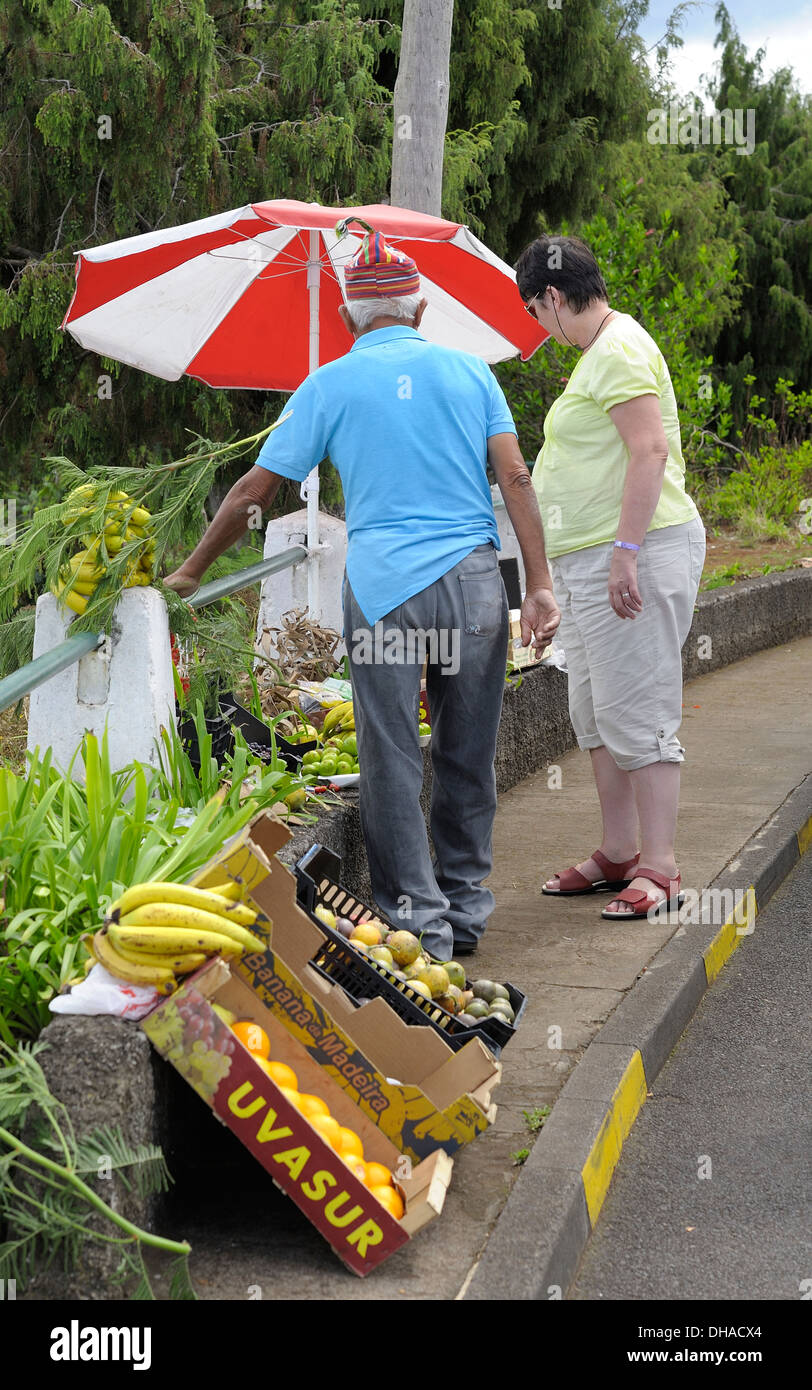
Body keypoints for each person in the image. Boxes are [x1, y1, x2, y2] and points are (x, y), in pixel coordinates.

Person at [165, 221, 560, 959]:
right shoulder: (472, 372)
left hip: (386, 594)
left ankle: (419, 926)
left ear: (348, 319)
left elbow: (257, 487)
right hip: (475, 588)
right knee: (466, 752)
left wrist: (191, 570)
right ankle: (467, 911)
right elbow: (515, 478)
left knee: (391, 757)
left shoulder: (330, 383)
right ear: (418, 310)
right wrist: (537, 584)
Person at [515, 234, 706, 920]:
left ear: (553, 297)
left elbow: (649, 450)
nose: (541, 327)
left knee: (639, 705)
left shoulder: (619, 348)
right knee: (595, 712)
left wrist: (625, 550)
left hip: (636, 554)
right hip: (594, 562)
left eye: (536, 313)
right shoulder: (599, 354)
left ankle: (661, 866)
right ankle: (619, 851)